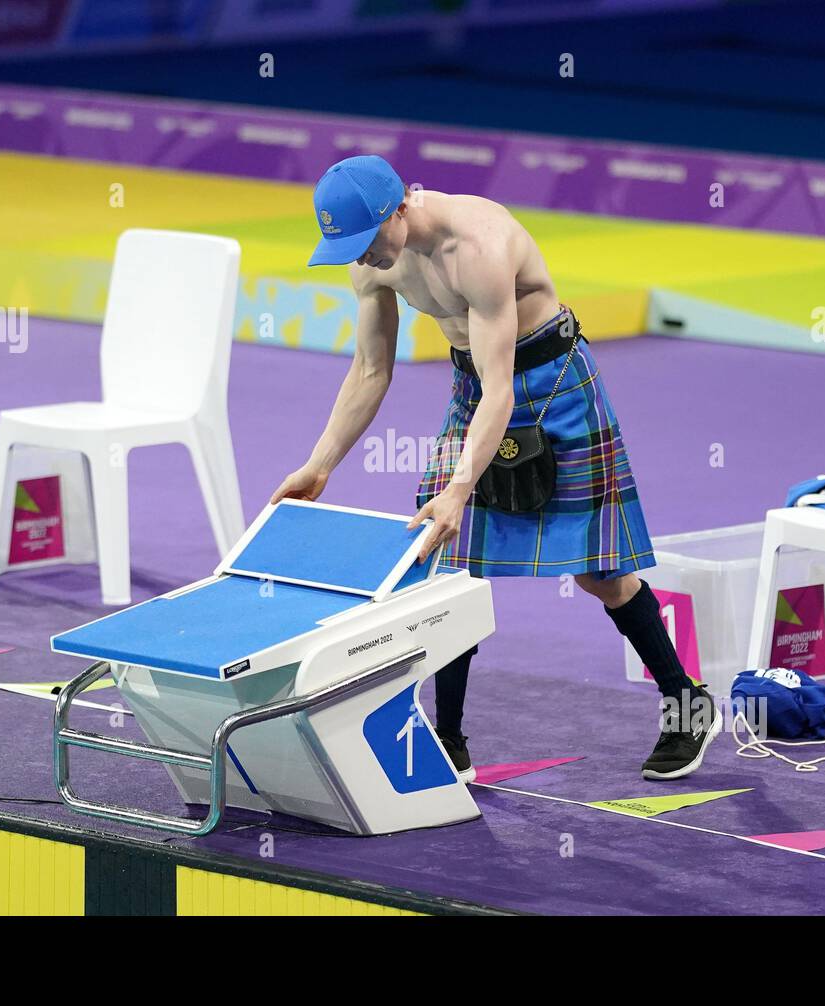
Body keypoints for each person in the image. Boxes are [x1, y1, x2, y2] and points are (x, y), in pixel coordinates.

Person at [271, 155, 719, 782]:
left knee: (600, 575)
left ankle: (685, 699)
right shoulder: (372, 265)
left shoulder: (477, 245)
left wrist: (460, 487)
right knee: (444, 565)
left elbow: (501, 389)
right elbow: (372, 370)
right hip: (474, 389)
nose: (363, 257)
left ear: (399, 208)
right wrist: (319, 465)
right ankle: (448, 741)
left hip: (554, 386)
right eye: (347, 245)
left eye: (367, 240)